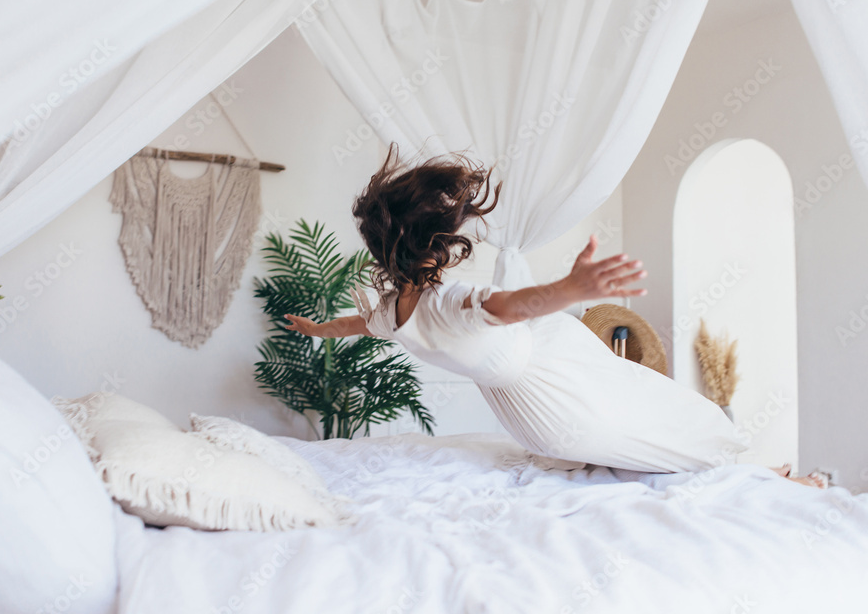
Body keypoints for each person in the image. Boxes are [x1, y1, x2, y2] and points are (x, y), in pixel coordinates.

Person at [285, 147, 824, 487]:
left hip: (540, 413)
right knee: (678, 428)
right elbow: (512, 306)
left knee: (669, 425)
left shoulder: (395, 309)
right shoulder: (448, 301)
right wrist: (573, 286)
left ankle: (759, 478)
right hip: (561, 392)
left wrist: (316, 330)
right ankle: (770, 484)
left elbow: (357, 325)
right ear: (432, 242)